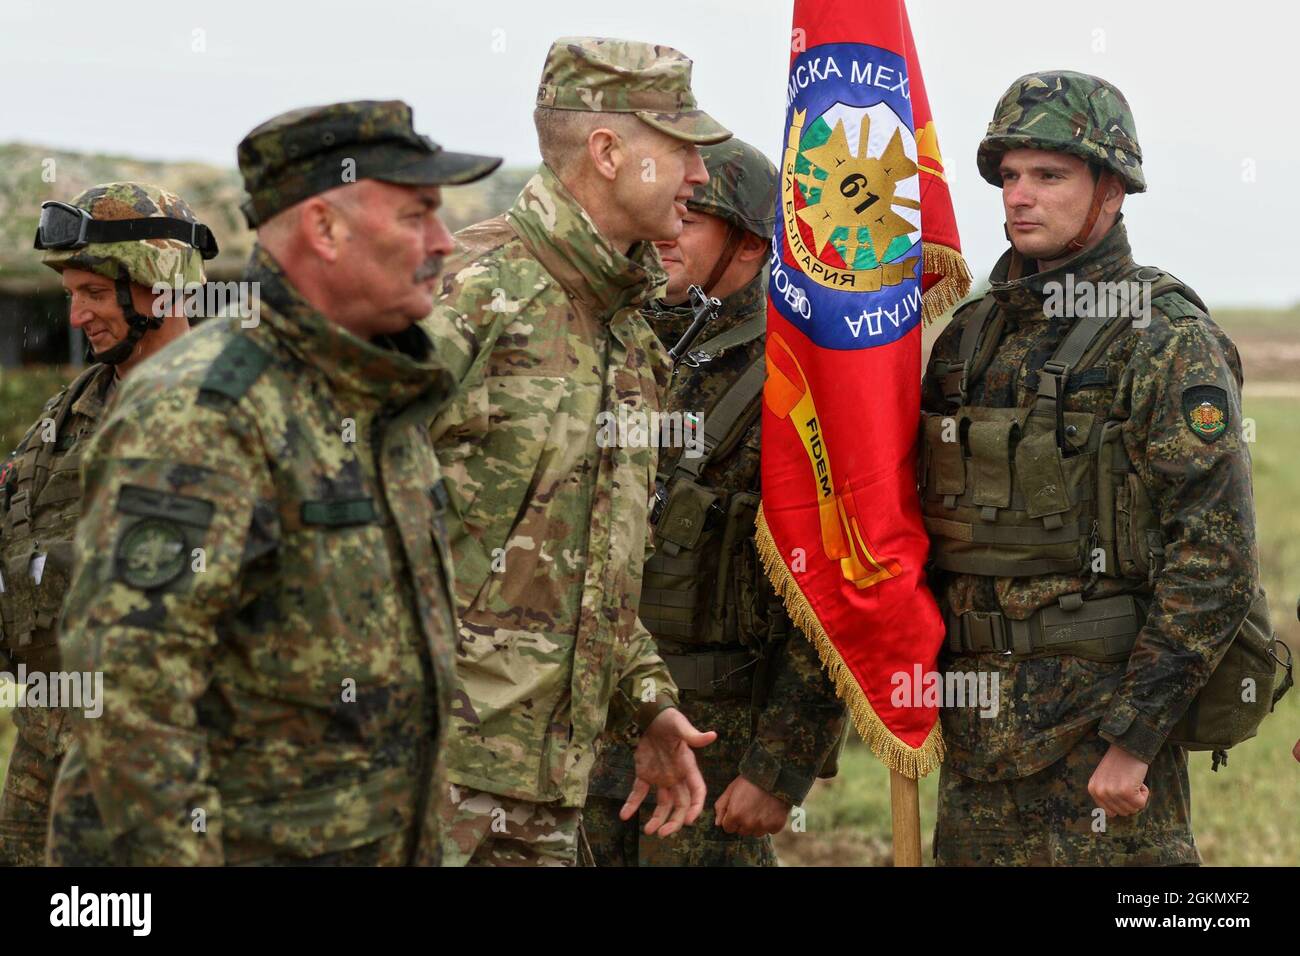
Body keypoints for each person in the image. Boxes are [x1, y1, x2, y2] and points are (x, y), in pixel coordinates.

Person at [45, 100, 500, 865]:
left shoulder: (377, 396)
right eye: (416, 213)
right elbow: (131, 708)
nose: (443, 242)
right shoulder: (204, 411)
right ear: (324, 230)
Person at [920, 71, 1259, 865]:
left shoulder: (1165, 337)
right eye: (1009, 176)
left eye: (1049, 175)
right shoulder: (969, 338)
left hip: (1098, 749)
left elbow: (1215, 556)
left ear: (1111, 188)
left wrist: (1136, 737)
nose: (1019, 197)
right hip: (973, 747)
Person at [423, 36, 730, 866]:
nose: (701, 175)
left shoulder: (628, 332)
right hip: (434, 779)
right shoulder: (471, 294)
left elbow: (587, 563)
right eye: (683, 151)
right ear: (608, 152)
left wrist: (648, 703)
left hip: (551, 786)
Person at [583, 138, 846, 866]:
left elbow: (825, 593)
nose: (665, 236)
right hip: (585, 743)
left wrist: (780, 767)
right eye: (664, 215)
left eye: (691, 220)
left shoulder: (794, 376)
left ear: (750, 242)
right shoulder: (613, 347)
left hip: (715, 747)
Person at [0, 182, 211, 865]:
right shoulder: (79, 401)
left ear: (160, 285)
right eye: (70, 294)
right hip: (47, 736)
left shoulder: (223, 409)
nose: (74, 316)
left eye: (91, 292)